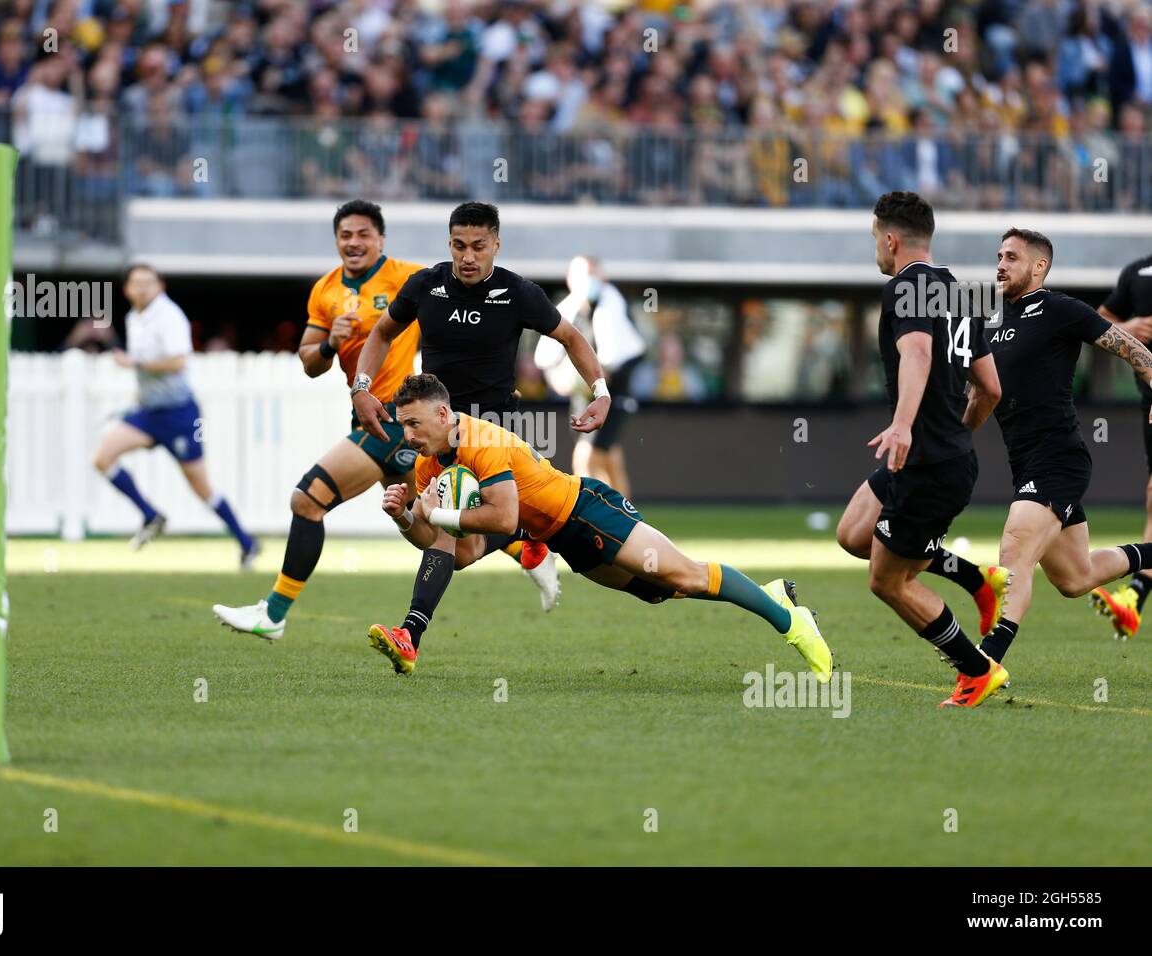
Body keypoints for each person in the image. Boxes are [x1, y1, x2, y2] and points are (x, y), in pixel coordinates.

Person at [212, 200, 558, 640]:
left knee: (308, 500)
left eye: (363, 235)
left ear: (381, 240)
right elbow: (308, 362)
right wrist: (328, 345)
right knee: (448, 530)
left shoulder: (410, 278)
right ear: (336, 240)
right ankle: (528, 547)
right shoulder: (325, 291)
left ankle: (275, 613)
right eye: (345, 235)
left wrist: (490, 379)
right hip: (369, 411)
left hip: (400, 420)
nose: (353, 243)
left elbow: (464, 306)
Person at [365, 374, 832, 682]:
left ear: (444, 415)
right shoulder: (429, 466)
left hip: (587, 510)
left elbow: (503, 520)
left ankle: (792, 623)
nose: (407, 434)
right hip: (562, 537)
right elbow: (457, 553)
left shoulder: (481, 441)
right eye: (402, 424)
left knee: (685, 574)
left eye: (413, 423)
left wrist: (435, 514)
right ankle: (770, 593)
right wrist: (407, 518)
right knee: (662, 591)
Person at [351, 201, 609, 614]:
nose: (467, 256)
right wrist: (361, 387)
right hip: (441, 430)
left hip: (494, 427)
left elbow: (572, 338)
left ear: (496, 245)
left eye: (478, 246)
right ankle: (525, 546)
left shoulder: (519, 293)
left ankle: (411, 631)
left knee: (449, 532)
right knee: (452, 534)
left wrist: (600, 391)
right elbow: (382, 333)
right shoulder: (425, 286)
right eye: (458, 246)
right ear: (449, 244)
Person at [859, 192, 1009, 708]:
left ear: (890, 238)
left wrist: (903, 425)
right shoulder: (961, 290)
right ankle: (975, 577)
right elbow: (990, 388)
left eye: (875, 239)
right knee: (854, 532)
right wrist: (958, 433)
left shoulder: (904, 285)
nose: (876, 249)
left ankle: (977, 670)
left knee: (887, 582)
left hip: (924, 463)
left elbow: (918, 350)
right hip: (941, 456)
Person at [980, 229, 1152, 661]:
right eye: (999, 255)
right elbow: (981, 394)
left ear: (1039, 266)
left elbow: (1137, 352)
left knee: (1014, 549)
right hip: (1024, 460)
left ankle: (984, 661)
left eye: (1012, 257)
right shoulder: (990, 318)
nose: (1000, 263)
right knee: (1076, 578)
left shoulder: (1060, 310)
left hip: (1058, 457)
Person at [91, 264, 257, 568]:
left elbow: (178, 362)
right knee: (103, 457)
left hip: (180, 413)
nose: (141, 288)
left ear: (160, 286)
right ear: (127, 289)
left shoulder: (169, 316)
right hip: (149, 412)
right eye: (136, 283)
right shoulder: (133, 317)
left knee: (200, 485)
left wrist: (134, 363)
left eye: (148, 282)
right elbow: (148, 371)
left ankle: (247, 543)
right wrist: (137, 398)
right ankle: (150, 515)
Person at [535, 255, 646, 495]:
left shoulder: (613, 306)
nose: (588, 281)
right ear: (569, 280)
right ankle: (628, 521)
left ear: (603, 277)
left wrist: (599, 378)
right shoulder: (569, 310)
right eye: (582, 275)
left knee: (585, 457)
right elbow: (546, 354)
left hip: (615, 393)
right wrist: (559, 379)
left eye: (592, 274)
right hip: (585, 394)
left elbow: (615, 356)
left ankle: (589, 517)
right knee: (609, 457)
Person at [1093, 249, 1152, 637]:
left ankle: (1135, 595)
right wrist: (1128, 325)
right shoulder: (1137, 271)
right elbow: (1097, 322)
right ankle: (1135, 597)